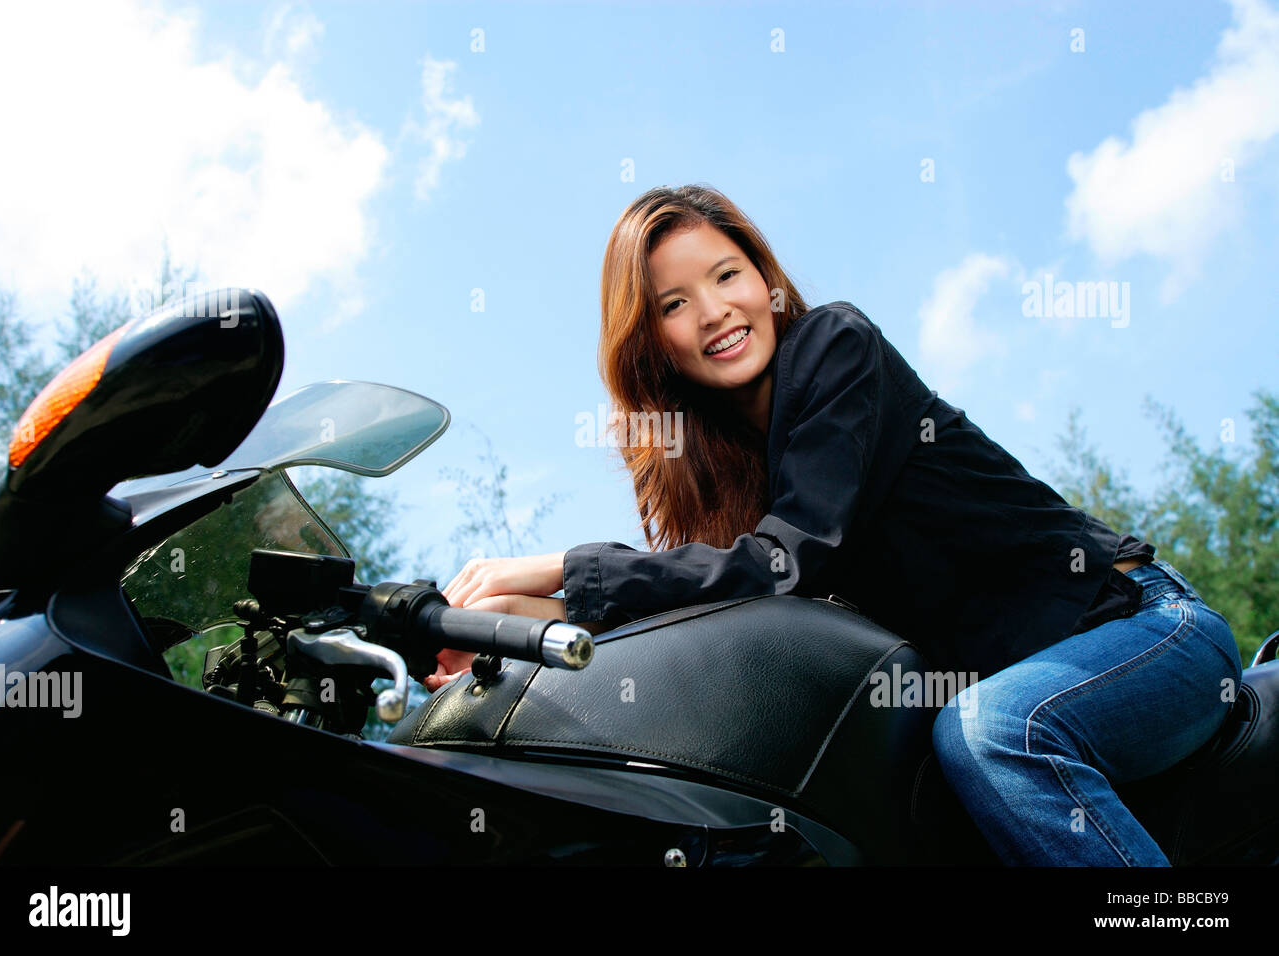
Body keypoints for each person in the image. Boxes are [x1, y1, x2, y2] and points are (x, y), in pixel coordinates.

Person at [427, 184, 1243, 866]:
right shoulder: (729, 478)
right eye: (676, 303)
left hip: (1143, 626)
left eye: (727, 275)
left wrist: (562, 566)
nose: (714, 312)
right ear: (654, 343)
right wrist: (496, 630)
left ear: (765, 278)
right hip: (1011, 677)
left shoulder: (834, 347)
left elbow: (785, 563)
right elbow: (703, 615)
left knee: (995, 732)